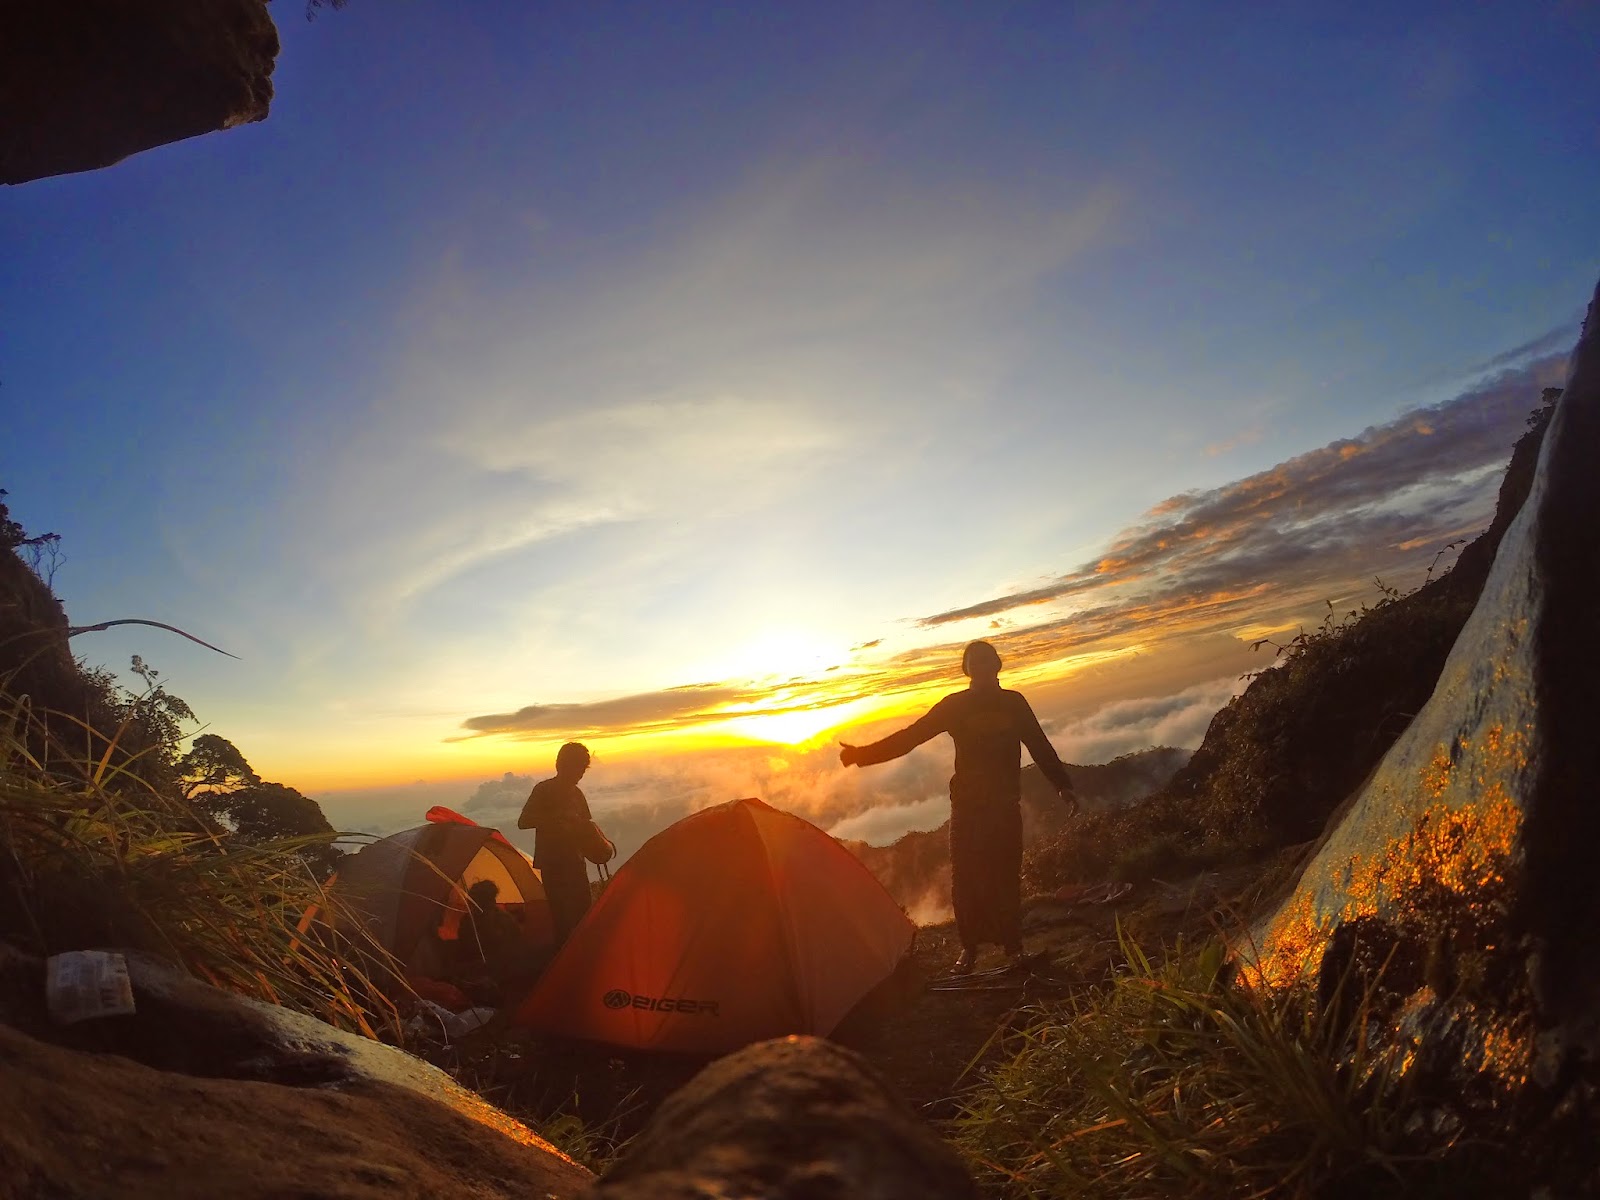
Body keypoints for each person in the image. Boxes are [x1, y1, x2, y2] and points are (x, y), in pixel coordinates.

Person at [840, 641, 1077, 974]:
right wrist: (862, 756)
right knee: (965, 878)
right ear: (967, 670)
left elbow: (1039, 744)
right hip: (967, 808)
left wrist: (1063, 785)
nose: (981, 666)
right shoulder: (956, 706)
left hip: (1004, 806)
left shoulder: (1014, 703)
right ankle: (969, 950)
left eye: (986, 660)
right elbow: (912, 736)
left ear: (997, 664)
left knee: (1005, 876)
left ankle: (1013, 947)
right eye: (974, 662)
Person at [518, 741, 597, 945]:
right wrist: (556, 818)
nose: (580, 774)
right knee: (562, 920)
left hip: (576, 862)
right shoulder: (543, 790)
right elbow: (523, 821)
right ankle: (564, 964)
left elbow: (587, 824)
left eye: (582, 769)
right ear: (561, 765)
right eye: (578, 768)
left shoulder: (577, 794)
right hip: (553, 865)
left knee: (584, 916)